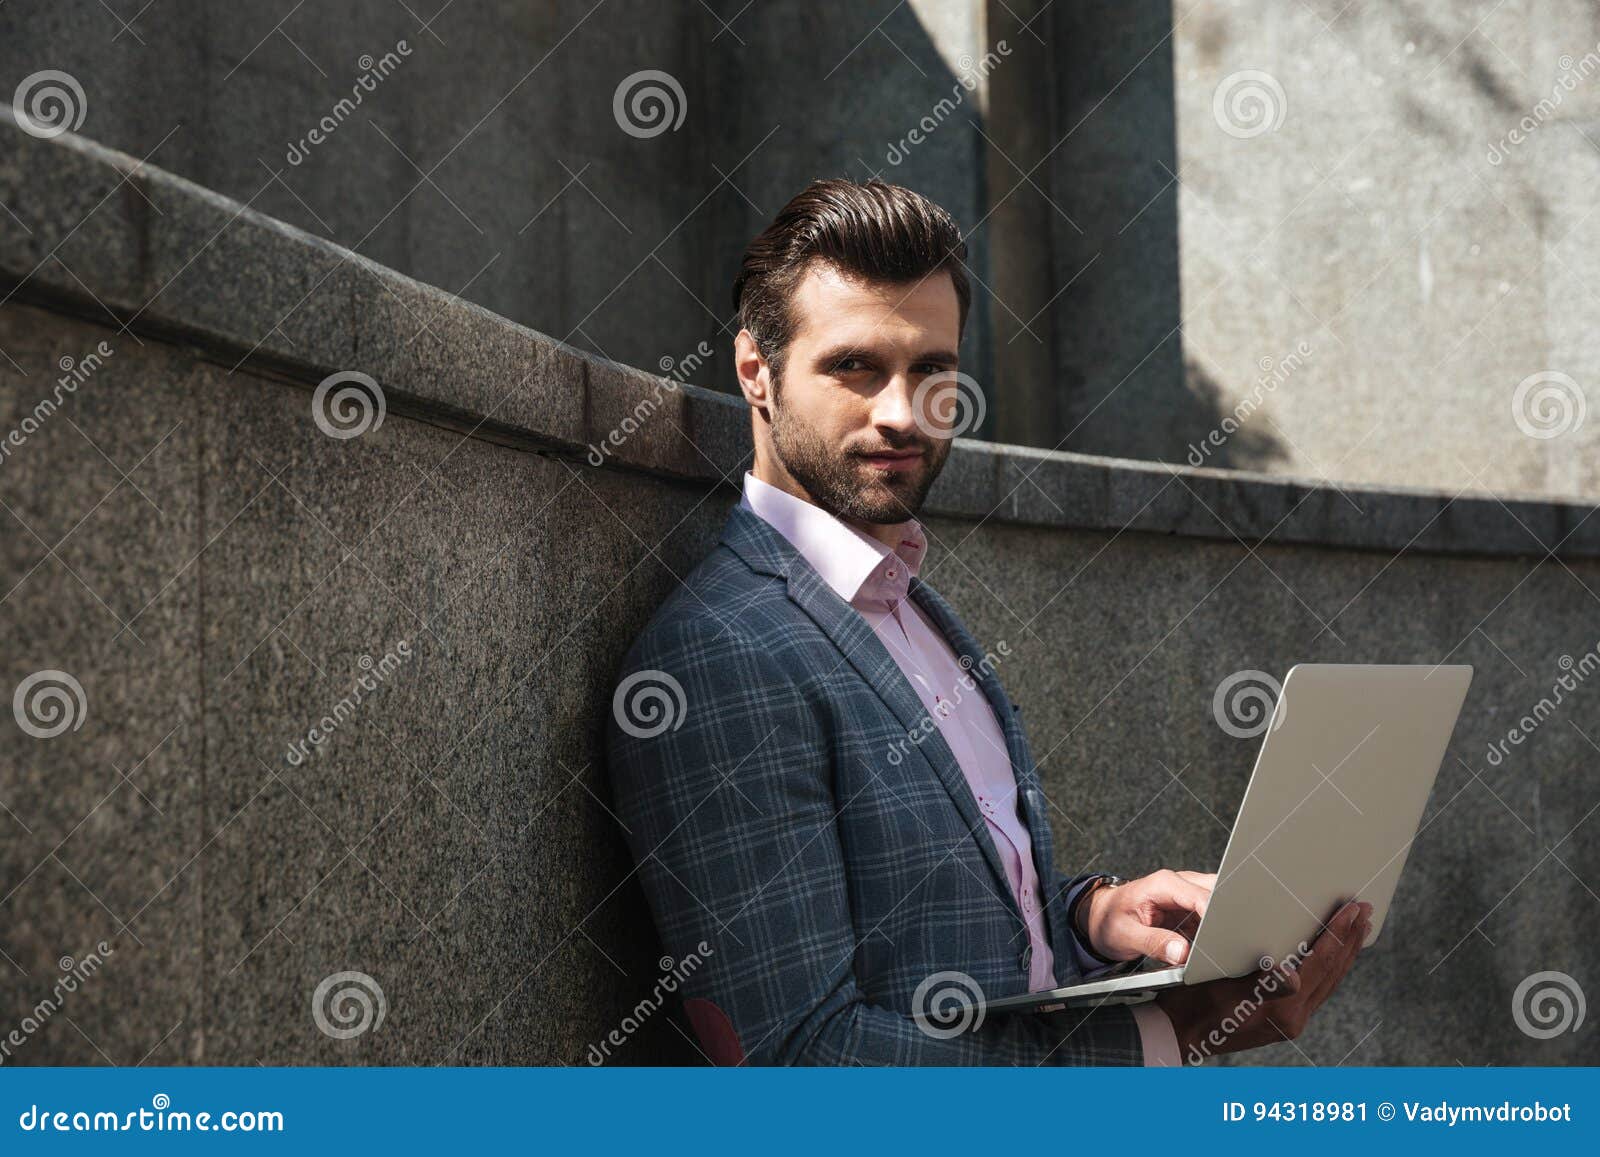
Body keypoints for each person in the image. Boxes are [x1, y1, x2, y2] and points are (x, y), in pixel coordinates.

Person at [605, 178, 1370, 1065]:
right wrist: (1173, 1036)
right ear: (754, 372)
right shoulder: (721, 656)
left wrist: (1090, 918)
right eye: (855, 366)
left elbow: (937, 921)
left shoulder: (913, 607)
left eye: (931, 369)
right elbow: (804, 1059)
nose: (901, 411)